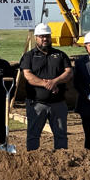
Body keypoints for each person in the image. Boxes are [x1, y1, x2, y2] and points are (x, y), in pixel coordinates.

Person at [19, 23, 73, 151]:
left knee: (61, 136)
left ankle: (62, 163)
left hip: (58, 104)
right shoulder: (29, 56)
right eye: (42, 36)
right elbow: (27, 75)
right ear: (36, 38)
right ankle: (33, 163)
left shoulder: (60, 55)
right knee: (33, 135)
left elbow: (69, 72)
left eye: (47, 36)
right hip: (36, 104)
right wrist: (47, 84)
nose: (45, 39)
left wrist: (55, 81)